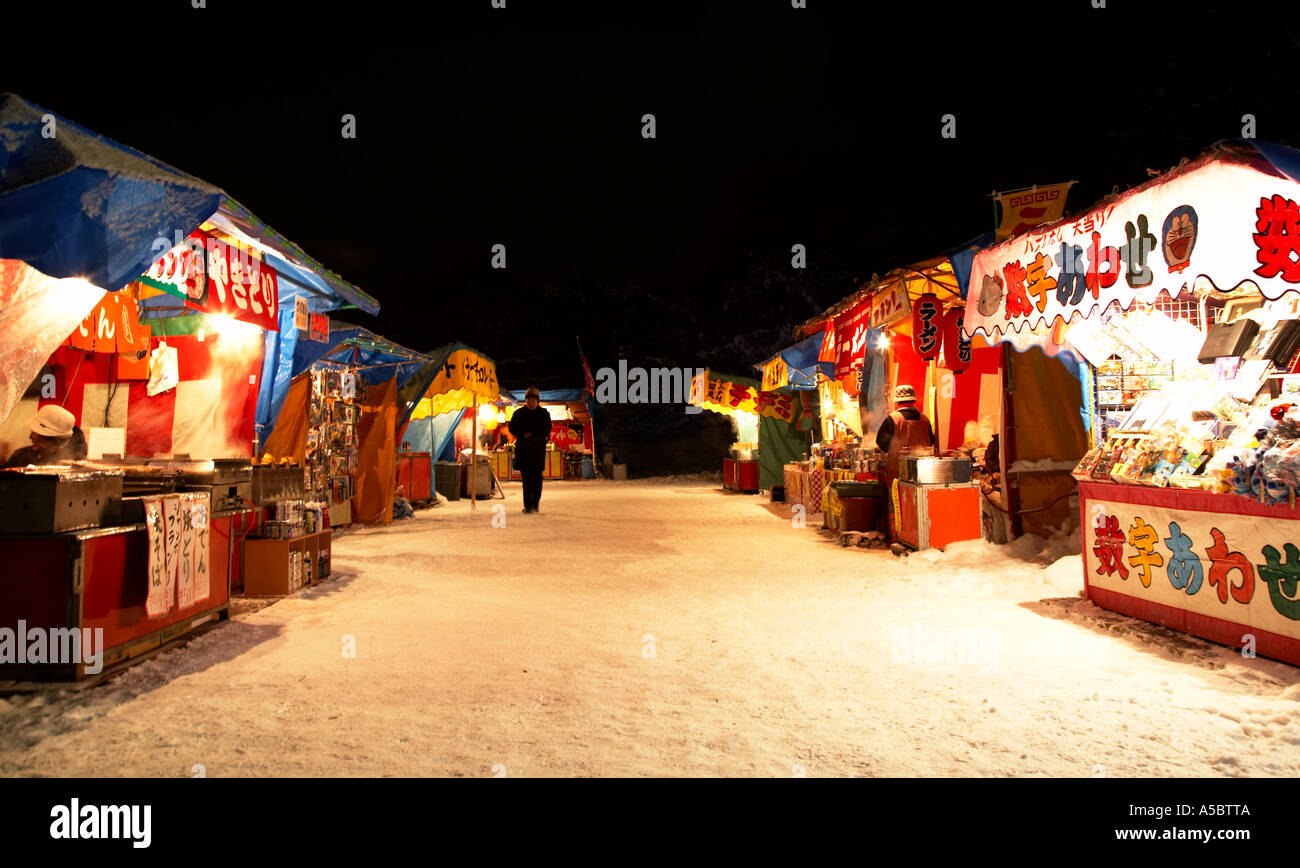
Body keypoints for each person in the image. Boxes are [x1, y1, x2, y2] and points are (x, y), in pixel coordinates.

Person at [875, 385, 934, 550]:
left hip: (898, 471)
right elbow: (931, 440)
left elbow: (881, 442)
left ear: (897, 402)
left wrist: (894, 450)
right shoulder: (924, 419)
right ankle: (922, 536)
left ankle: (898, 536)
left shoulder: (892, 419)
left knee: (897, 503)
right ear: (913, 400)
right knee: (921, 504)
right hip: (924, 470)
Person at [508, 387, 552, 513]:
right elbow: (512, 428)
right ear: (525, 401)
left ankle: (535, 504)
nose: (531, 403)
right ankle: (527, 506)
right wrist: (522, 433)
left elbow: (547, 429)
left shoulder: (544, 414)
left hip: (538, 451)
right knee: (526, 480)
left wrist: (534, 435)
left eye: (533, 400)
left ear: (537, 401)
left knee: (537, 479)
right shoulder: (519, 413)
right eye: (529, 400)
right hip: (524, 452)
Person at [4, 405, 85, 467]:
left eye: (40, 442)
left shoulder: (71, 463)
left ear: (60, 443)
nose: (30, 437)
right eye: (33, 432)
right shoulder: (20, 456)